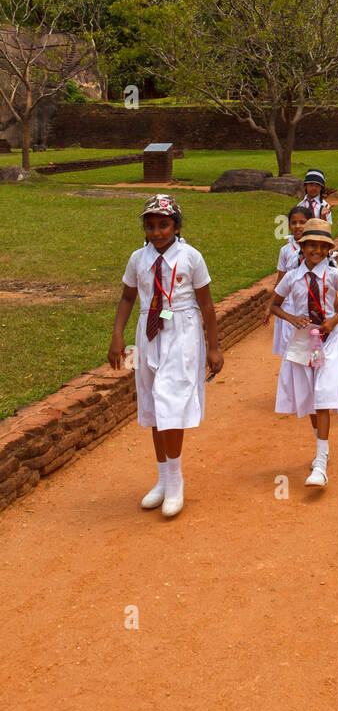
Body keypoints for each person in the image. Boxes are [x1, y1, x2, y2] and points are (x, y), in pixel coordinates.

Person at [107, 194, 224, 518]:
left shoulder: (190, 257)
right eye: (150, 226)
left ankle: (175, 481)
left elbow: (207, 305)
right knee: (154, 403)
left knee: (171, 402)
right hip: (149, 333)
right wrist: (117, 335)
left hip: (182, 331)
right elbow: (128, 297)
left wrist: (214, 346)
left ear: (177, 226)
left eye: (164, 225)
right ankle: (162, 478)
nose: (157, 232)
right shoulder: (138, 259)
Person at [267, 218, 338, 489]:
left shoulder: (333, 274)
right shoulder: (292, 277)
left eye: (322, 246)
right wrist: (292, 318)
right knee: (311, 396)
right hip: (306, 341)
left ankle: (320, 463)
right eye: (311, 246)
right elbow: (274, 305)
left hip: (329, 339)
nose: (317, 250)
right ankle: (321, 445)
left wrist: (335, 320)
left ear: (328, 249)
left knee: (324, 395)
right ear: (302, 247)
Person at [265, 204, 308, 357]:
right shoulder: (285, 250)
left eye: (302, 222)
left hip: (309, 301)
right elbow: (280, 280)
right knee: (289, 347)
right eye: (294, 222)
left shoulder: (316, 248)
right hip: (289, 305)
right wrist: (269, 306)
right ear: (288, 225)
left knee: (309, 346)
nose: (298, 226)